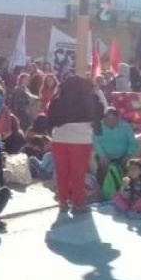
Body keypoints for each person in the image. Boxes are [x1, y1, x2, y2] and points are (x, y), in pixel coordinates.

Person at [47, 74, 104, 214]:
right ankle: (78, 202)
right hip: (81, 139)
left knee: (61, 173)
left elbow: (50, 118)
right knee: (78, 174)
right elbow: (102, 110)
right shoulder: (89, 98)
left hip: (59, 138)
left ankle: (63, 202)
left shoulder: (57, 99)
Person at [92, 107, 139, 189]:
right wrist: (103, 156)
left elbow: (133, 143)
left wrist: (128, 154)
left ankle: (128, 189)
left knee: (129, 167)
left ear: (118, 118)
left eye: (112, 118)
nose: (110, 121)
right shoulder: (98, 127)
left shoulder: (126, 127)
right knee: (103, 166)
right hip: (105, 155)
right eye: (107, 118)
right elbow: (96, 142)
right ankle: (100, 189)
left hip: (123, 155)